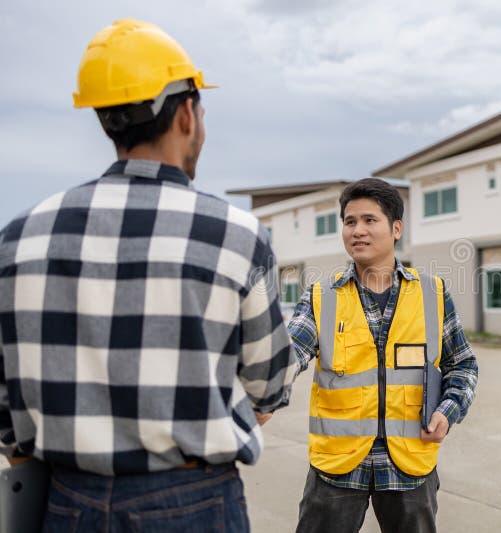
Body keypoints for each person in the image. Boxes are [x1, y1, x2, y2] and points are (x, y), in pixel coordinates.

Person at [0, 19, 296, 531]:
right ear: (186, 114)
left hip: (67, 500)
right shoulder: (238, 234)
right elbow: (269, 381)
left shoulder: (19, 237)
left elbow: (8, 401)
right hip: (195, 500)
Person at [288, 178, 478, 533]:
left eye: (369, 220)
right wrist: (263, 389)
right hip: (337, 468)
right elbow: (290, 352)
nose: (357, 231)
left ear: (395, 229)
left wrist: (448, 411)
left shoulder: (431, 293)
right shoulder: (321, 296)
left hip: (409, 466)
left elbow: (462, 364)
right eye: (349, 222)